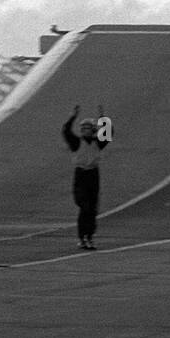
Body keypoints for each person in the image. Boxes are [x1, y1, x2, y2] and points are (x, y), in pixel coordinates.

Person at [62, 104, 109, 249]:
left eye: (87, 128)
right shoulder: (77, 143)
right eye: (82, 129)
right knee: (85, 207)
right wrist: (72, 116)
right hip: (81, 175)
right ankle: (82, 237)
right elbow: (66, 131)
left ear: (93, 130)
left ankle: (89, 236)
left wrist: (103, 117)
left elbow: (108, 132)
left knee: (92, 208)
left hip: (93, 175)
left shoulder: (98, 142)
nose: (84, 131)